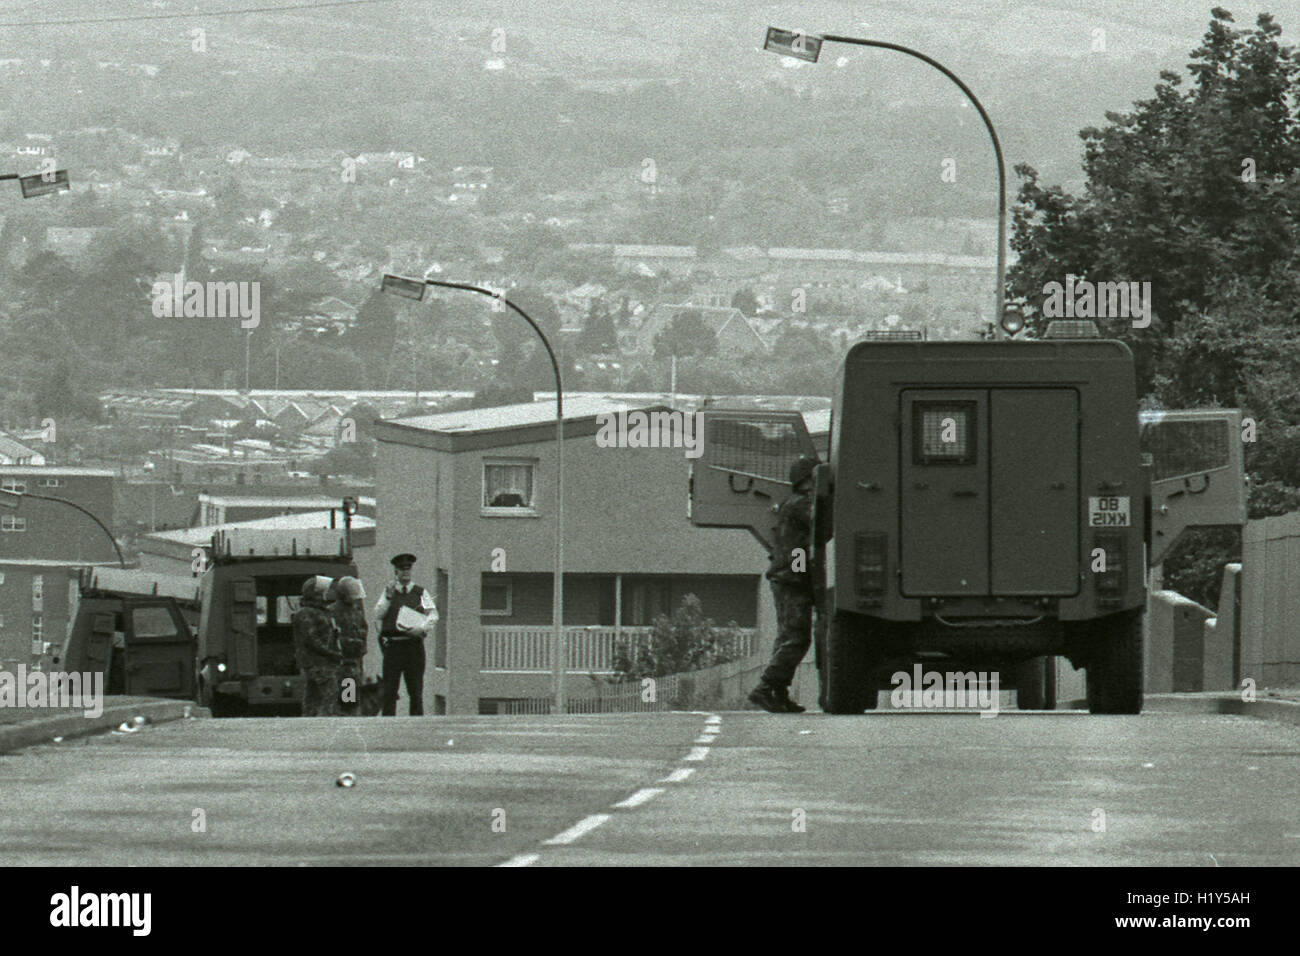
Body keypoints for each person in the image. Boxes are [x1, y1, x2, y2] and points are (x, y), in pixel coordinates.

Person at [749, 455, 826, 714]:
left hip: (787, 578)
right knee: (796, 638)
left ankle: (777, 693)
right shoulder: (801, 505)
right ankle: (766, 687)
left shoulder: (790, 505)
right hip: (792, 580)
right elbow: (823, 524)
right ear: (809, 480)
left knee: (787, 637)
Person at [375, 553, 438, 716]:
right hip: (394, 646)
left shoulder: (420, 592)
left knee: (416, 691)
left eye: (408, 568)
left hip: (413, 646)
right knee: (390, 691)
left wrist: (423, 629)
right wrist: (388, 597)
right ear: (395, 571)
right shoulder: (388, 592)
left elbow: (433, 614)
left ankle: (416, 727)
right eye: (401, 569)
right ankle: (388, 727)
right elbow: (379, 614)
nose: (405, 572)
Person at [294, 575, 343, 717]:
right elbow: (311, 640)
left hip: (328, 662)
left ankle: (312, 722)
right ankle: (327, 721)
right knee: (330, 693)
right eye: (324, 590)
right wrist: (333, 654)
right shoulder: (307, 613)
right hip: (320, 663)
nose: (328, 592)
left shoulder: (323, 612)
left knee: (314, 695)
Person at [330, 576, 368, 716]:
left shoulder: (356, 612)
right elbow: (331, 638)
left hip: (354, 664)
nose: (355, 598)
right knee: (343, 704)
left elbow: (364, 630)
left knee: (350, 702)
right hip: (342, 664)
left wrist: (360, 645)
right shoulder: (333, 612)